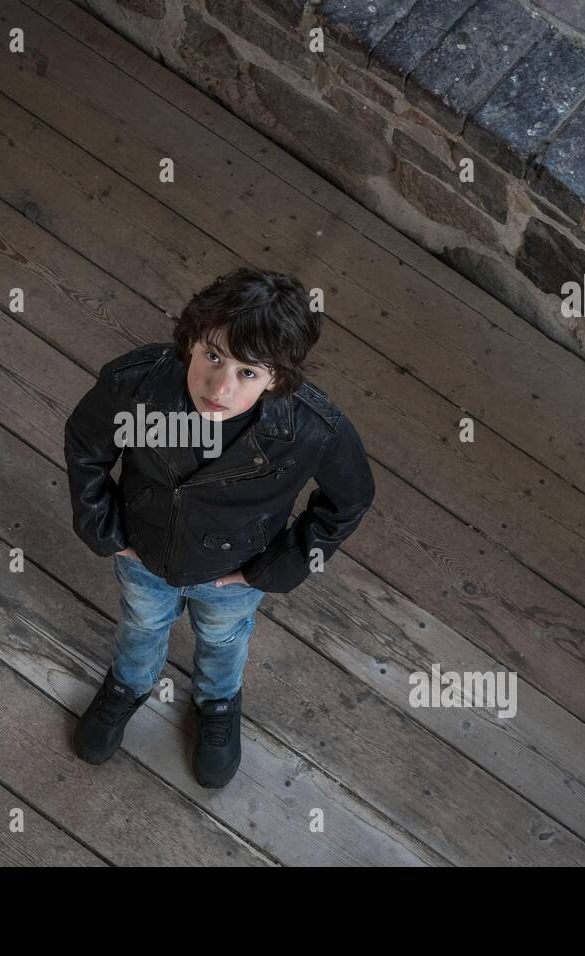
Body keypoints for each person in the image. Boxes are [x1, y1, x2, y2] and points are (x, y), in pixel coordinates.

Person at [63, 267, 375, 788]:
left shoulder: (312, 429)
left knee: (224, 637)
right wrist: (108, 530)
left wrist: (270, 571)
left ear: (278, 377)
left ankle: (217, 702)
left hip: (235, 571)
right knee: (140, 625)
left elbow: (350, 499)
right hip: (145, 552)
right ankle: (128, 685)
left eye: (249, 373)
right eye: (213, 356)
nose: (221, 386)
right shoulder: (135, 383)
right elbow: (86, 445)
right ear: (191, 341)